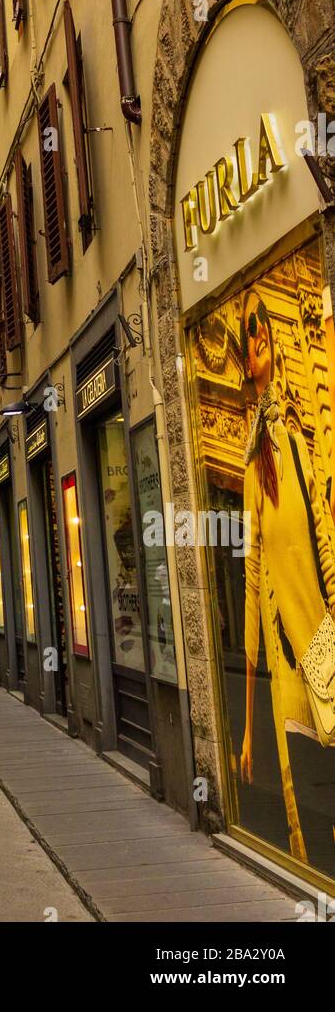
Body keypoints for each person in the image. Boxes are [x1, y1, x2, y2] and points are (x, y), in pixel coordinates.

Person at [238, 286, 335, 871]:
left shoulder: (295, 442)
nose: (258, 341)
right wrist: (247, 730)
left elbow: (325, 542)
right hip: (287, 667)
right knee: (308, 811)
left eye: (262, 329)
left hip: (324, 647)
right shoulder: (253, 464)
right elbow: (251, 580)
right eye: (250, 336)